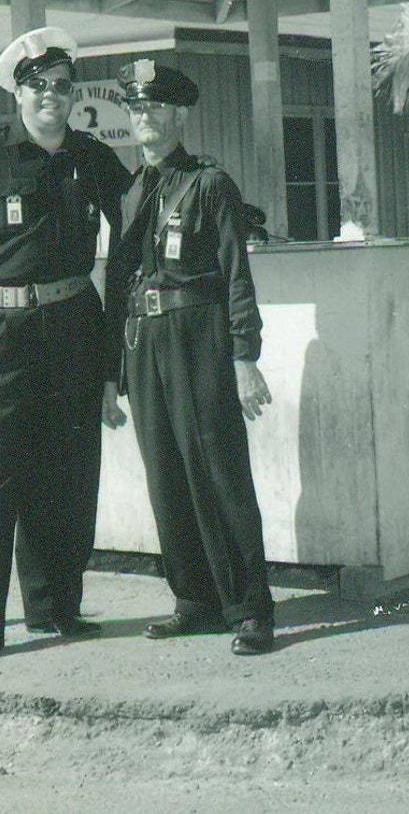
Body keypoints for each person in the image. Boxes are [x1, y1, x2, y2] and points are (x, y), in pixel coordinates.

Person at [0, 26, 133, 668]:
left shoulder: (91, 158)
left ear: (73, 95)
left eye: (63, 87)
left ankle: (54, 608)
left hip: (70, 328)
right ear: (19, 93)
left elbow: (138, 215)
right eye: (38, 86)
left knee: (65, 474)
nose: (51, 97)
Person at [102, 58, 276, 656]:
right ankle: (195, 600)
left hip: (198, 335)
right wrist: (112, 369)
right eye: (134, 107)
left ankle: (250, 607)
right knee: (166, 474)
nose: (142, 117)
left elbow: (235, 274)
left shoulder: (209, 184)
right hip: (144, 340)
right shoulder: (130, 193)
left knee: (218, 471)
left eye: (152, 106)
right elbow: (117, 279)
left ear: (178, 114)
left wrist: (244, 355)